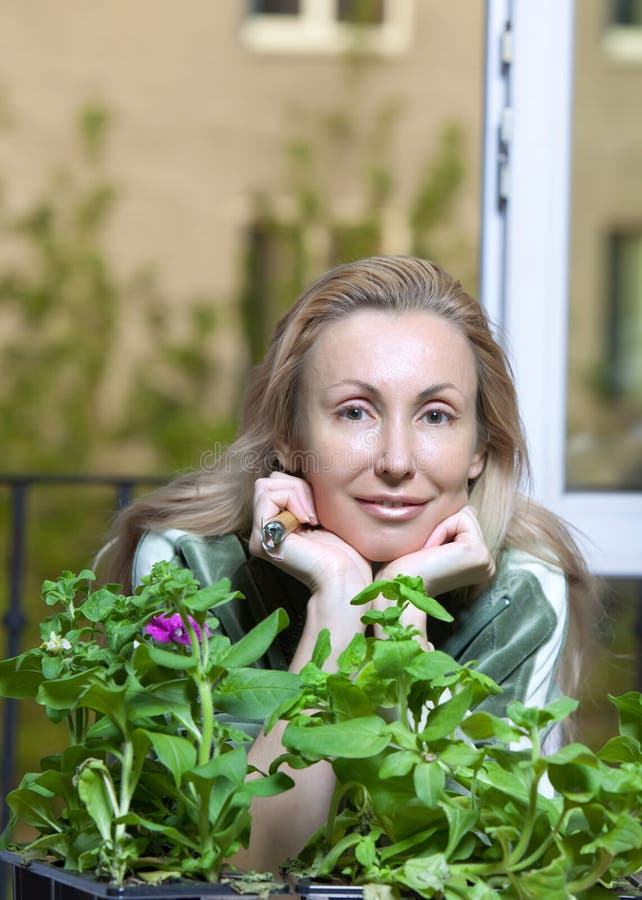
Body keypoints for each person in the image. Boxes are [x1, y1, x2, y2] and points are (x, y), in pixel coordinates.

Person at [104, 255, 597, 872]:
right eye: (355, 412)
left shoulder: (522, 590)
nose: (395, 459)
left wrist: (398, 611)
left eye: (436, 415)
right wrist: (337, 603)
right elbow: (246, 865)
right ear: (287, 436)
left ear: (479, 447)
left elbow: (464, 865)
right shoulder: (189, 564)